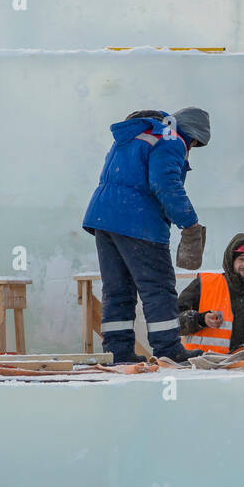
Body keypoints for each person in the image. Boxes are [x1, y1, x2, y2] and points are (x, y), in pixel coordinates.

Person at [81, 106, 211, 363]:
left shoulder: (134, 137)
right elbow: (165, 184)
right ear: (193, 135)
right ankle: (169, 349)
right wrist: (190, 223)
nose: (191, 148)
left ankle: (117, 353)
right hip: (139, 221)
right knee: (158, 288)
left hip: (104, 218)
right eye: (195, 144)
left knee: (117, 290)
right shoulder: (171, 139)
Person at [178, 233, 244, 354]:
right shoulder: (204, 284)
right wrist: (201, 319)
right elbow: (172, 322)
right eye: (241, 259)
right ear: (231, 260)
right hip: (201, 367)